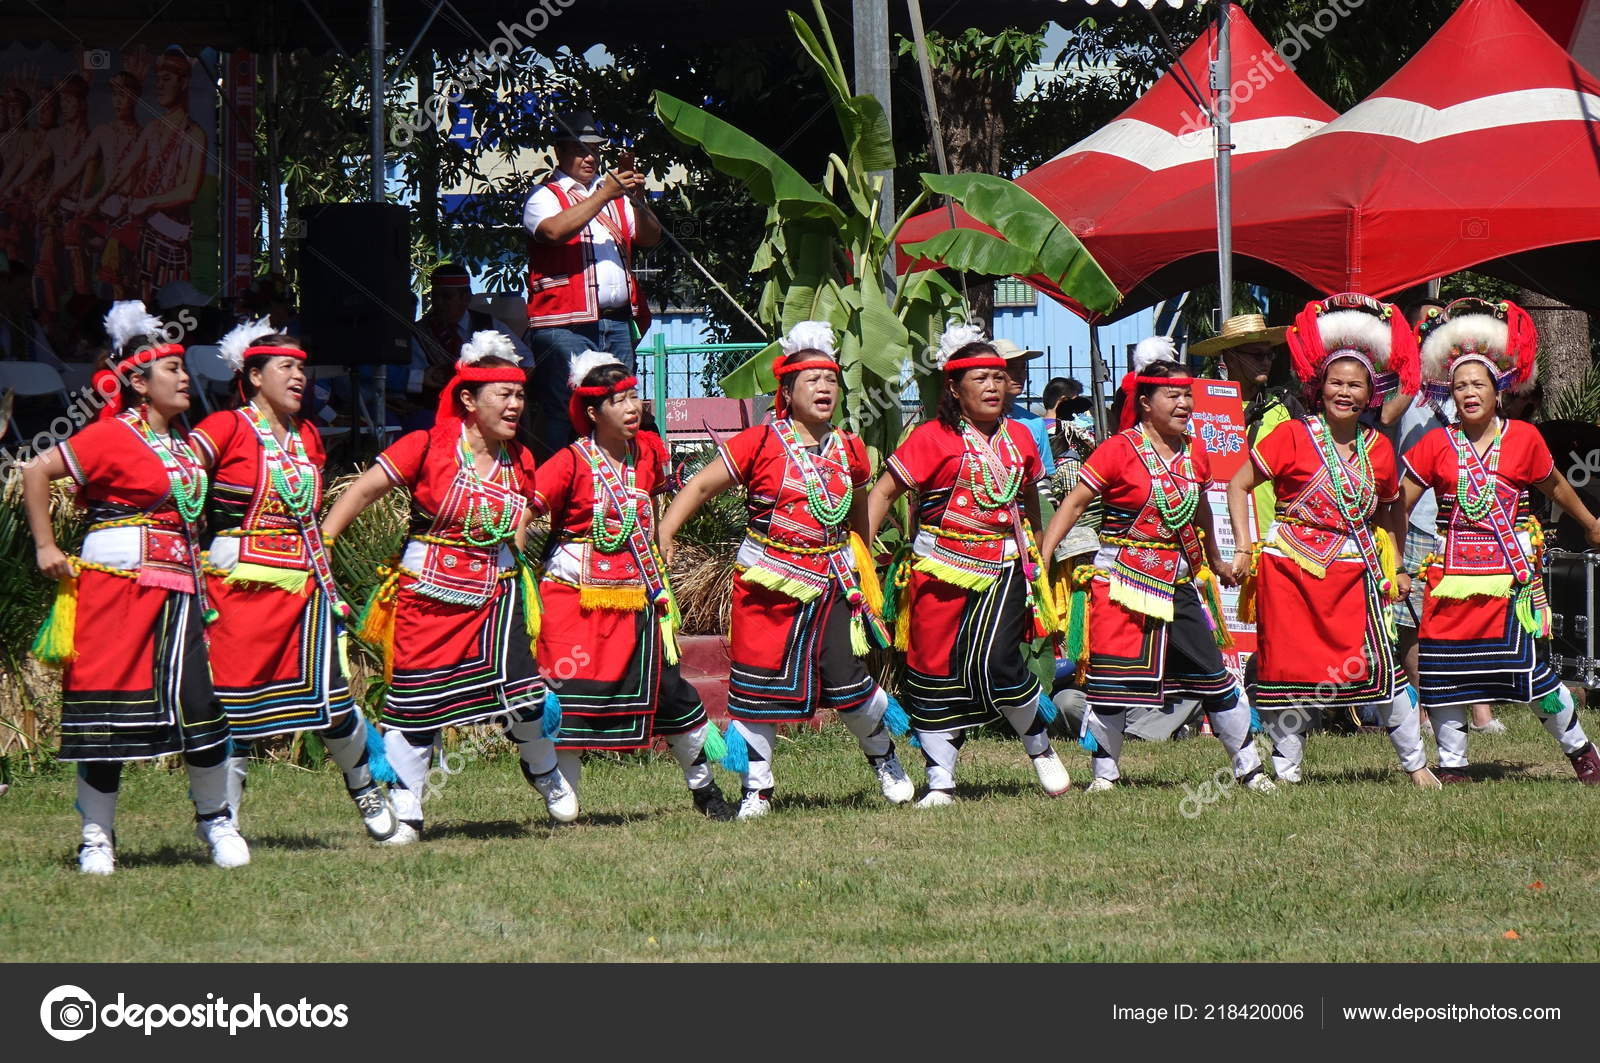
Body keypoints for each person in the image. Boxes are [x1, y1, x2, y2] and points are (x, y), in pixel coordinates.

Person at [321, 331, 573, 843]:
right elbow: (366, 489)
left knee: (523, 693)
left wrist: (516, 562)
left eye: (520, 395)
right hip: (427, 595)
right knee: (417, 704)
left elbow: (519, 519)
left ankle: (542, 769)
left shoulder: (519, 459)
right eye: (503, 395)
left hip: (496, 593)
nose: (515, 405)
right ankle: (406, 804)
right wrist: (323, 542)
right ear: (467, 399)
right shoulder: (425, 446)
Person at [22, 300, 242, 873]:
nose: (185, 379)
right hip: (116, 590)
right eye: (173, 371)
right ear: (140, 383)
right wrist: (47, 547)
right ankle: (96, 836)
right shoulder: (107, 437)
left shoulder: (185, 446)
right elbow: (35, 469)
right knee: (107, 711)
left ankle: (216, 822)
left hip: (181, 591)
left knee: (201, 703)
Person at [660, 322, 914, 817]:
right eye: (812, 381)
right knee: (756, 685)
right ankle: (757, 789)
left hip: (832, 581)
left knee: (848, 681)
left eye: (831, 381)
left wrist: (863, 557)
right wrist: (666, 532)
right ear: (787, 391)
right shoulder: (758, 442)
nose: (824, 389)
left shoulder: (849, 448)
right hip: (765, 583)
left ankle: (885, 758)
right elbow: (700, 488)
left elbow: (859, 513)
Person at [188, 318, 399, 841]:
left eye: (303, 369)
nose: (299, 377)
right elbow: (182, 484)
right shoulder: (224, 428)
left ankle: (363, 786)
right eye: (287, 367)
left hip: (302, 584)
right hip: (236, 585)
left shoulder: (307, 436)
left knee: (330, 698)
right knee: (233, 707)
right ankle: (223, 821)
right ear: (254, 376)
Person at [1040, 337, 1270, 793]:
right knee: (1110, 686)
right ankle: (1104, 774)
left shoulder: (1194, 452)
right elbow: (1072, 504)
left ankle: (1249, 769)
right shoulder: (1117, 450)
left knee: (1214, 678)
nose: (1184, 403)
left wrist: (1219, 560)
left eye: (1188, 395)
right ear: (1145, 403)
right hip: (1120, 581)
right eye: (1173, 395)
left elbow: (1201, 510)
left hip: (1177, 582)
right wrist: (1044, 556)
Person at [1226, 294, 1437, 787]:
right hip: (1288, 570)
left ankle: (1416, 763)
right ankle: (1287, 769)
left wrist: (1399, 566)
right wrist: (1242, 547)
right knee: (1287, 677)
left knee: (1380, 665)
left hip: (1353, 570)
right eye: (1336, 383)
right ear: (1320, 388)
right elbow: (1238, 484)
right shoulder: (1291, 435)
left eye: (1355, 385)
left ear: (1371, 393)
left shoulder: (1380, 449)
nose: (1344, 392)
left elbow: (1391, 510)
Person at [865, 322, 1070, 806]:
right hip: (939, 565)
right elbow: (883, 493)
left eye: (999, 377)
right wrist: (859, 554)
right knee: (932, 669)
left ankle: (1038, 744)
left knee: (999, 660)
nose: (993, 387)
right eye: (980, 379)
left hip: (1003, 565)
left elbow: (1028, 503)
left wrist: (1038, 555)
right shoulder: (929, 439)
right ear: (954, 389)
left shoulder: (1020, 435)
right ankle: (941, 780)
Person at [1401, 298, 1600, 784]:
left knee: (1530, 673)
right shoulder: (1435, 443)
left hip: (1508, 579)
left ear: (1497, 390)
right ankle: (1453, 765)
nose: (1469, 392)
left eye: (1478, 384)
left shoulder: (1525, 438)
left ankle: (1581, 752)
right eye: (1460, 385)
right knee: (1445, 674)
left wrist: (1592, 523)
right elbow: (1399, 503)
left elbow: (1554, 486)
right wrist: (1392, 557)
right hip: (1449, 580)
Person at [530, 350, 735, 819]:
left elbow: (683, 488)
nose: (631, 407)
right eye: (617, 399)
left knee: (671, 692)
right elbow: (526, 512)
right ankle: (564, 799)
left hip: (639, 600)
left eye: (634, 396)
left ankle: (706, 791)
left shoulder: (649, 454)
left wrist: (668, 531)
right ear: (590, 412)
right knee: (571, 696)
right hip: (574, 603)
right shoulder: (567, 464)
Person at [522, 111, 661, 458]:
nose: (590, 158)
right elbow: (553, 232)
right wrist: (605, 194)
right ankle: (553, 493)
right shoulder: (545, 196)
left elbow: (649, 237)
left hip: (614, 320)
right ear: (559, 152)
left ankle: (616, 482)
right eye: (580, 149)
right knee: (561, 408)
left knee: (619, 406)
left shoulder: (612, 196)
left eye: (595, 150)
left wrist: (637, 199)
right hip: (563, 323)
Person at [995, 338, 1054, 475]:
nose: (1020, 375)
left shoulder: (1035, 423)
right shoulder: (971, 421)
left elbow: (1046, 475)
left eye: (1023, 367)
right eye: (1011, 368)